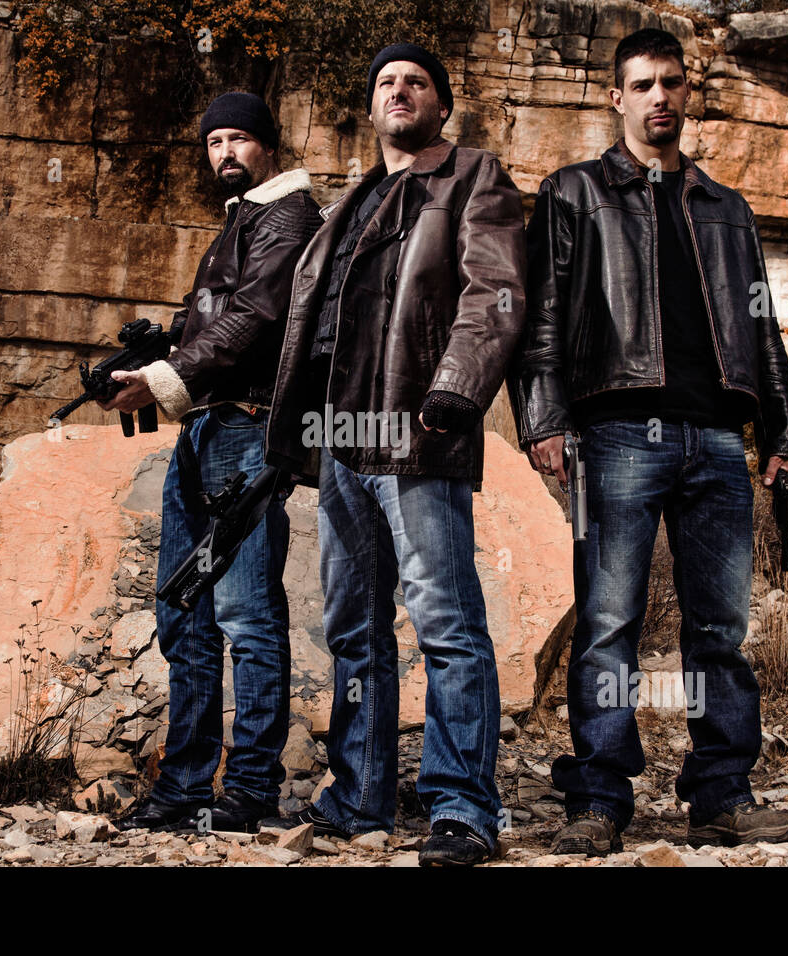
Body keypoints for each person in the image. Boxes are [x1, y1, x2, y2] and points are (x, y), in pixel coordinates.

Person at [509, 28, 788, 856]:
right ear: (616, 98)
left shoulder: (727, 209)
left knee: (720, 628)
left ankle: (720, 795)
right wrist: (543, 420)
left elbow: (764, 330)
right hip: (616, 436)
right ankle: (599, 799)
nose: (660, 98)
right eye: (642, 85)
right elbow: (540, 317)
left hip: (718, 441)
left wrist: (782, 430)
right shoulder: (573, 192)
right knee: (610, 626)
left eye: (672, 83)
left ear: (689, 93)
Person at [259, 43, 527, 866]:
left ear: (442, 106)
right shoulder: (351, 201)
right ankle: (360, 794)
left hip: (417, 427)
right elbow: (314, 328)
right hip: (341, 437)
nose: (399, 91)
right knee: (352, 626)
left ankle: (461, 808)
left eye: (416, 82)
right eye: (385, 82)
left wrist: (456, 385)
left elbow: (496, 290)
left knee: (445, 619)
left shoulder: (475, 178)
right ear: (371, 108)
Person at [100, 92, 321, 833]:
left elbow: (257, 317)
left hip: (247, 430)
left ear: (267, 146)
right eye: (214, 140)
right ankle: (184, 787)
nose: (225, 151)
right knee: (184, 608)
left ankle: (250, 788)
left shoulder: (287, 217)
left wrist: (166, 376)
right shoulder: (240, 221)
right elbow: (223, 324)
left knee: (246, 613)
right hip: (203, 428)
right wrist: (153, 355)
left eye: (238, 139)